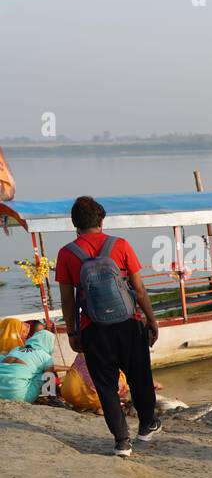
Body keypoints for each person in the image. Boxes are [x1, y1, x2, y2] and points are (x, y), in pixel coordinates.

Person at [54, 196, 161, 458]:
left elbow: (68, 299)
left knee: (105, 385)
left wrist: (72, 332)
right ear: (101, 220)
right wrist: (151, 319)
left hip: (94, 328)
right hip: (129, 323)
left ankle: (122, 442)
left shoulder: (67, 253)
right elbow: (138, 289)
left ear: (75, 224)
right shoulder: (120, 245)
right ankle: (147, 426)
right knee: (140, 377)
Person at [0, 326, 57, 403]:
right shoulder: (46, 357)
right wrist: (53, 398)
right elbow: (49, 380)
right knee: (44, 373)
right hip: (18, 396)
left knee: (3, 358)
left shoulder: (16, 348)